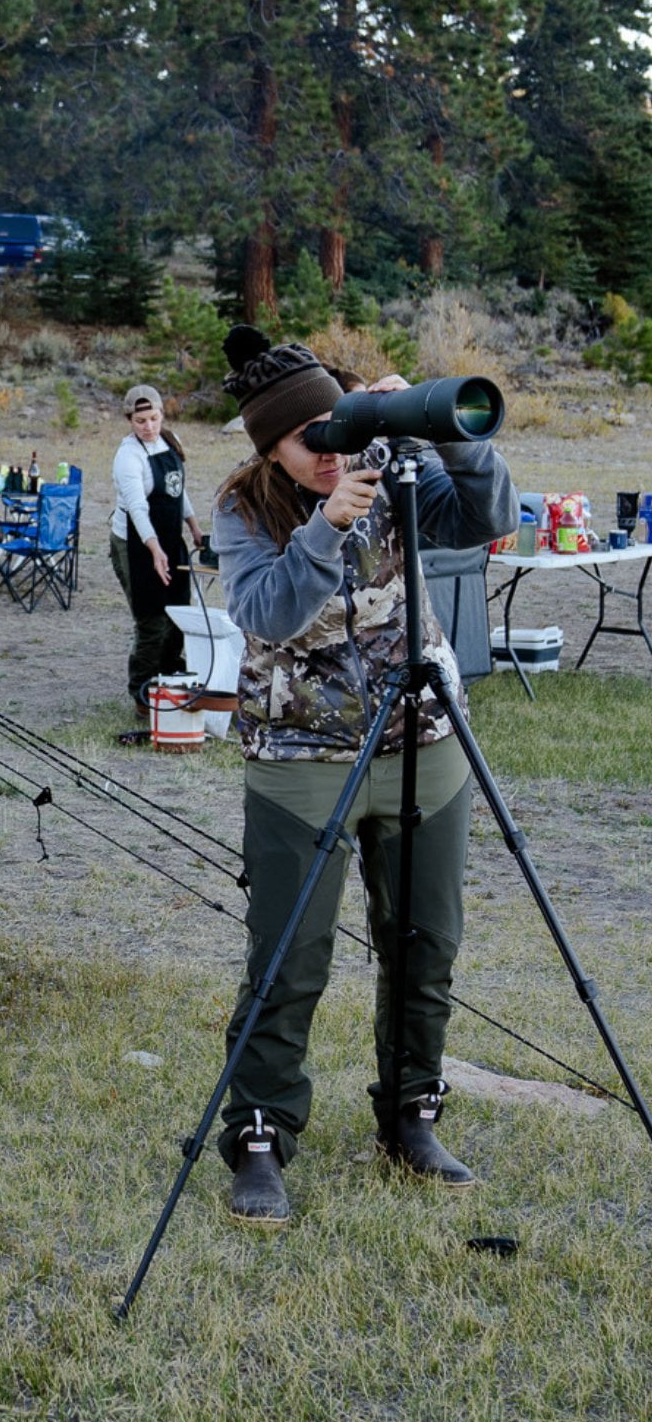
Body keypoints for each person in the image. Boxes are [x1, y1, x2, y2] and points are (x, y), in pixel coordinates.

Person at [212, 326, 515, 1227]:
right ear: (267, 447)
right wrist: (325, 524)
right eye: (304, 442)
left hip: (422, 739)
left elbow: (491, 515)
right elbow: (265, 610)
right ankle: (261, 1135)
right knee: (290, 957)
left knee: (427, 943)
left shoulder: (394, 469)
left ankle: (411, 1118)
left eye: (334, 429)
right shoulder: (243, 508)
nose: (327, 453)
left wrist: (443, 431)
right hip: (299, 756)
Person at [108, 385, 203, 710]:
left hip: (168, 536)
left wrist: (193, 526)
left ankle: (170, 679)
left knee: (178, 611)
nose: (148, 426)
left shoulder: (169, 442)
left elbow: (178, 490)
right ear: (129, 420)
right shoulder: (128, 456)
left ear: (162, 414)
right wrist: (154, 549)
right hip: (136, 542)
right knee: (152, 619)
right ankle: (142, 693)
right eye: (140, 420)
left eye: (153, 418)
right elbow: (137, 508)